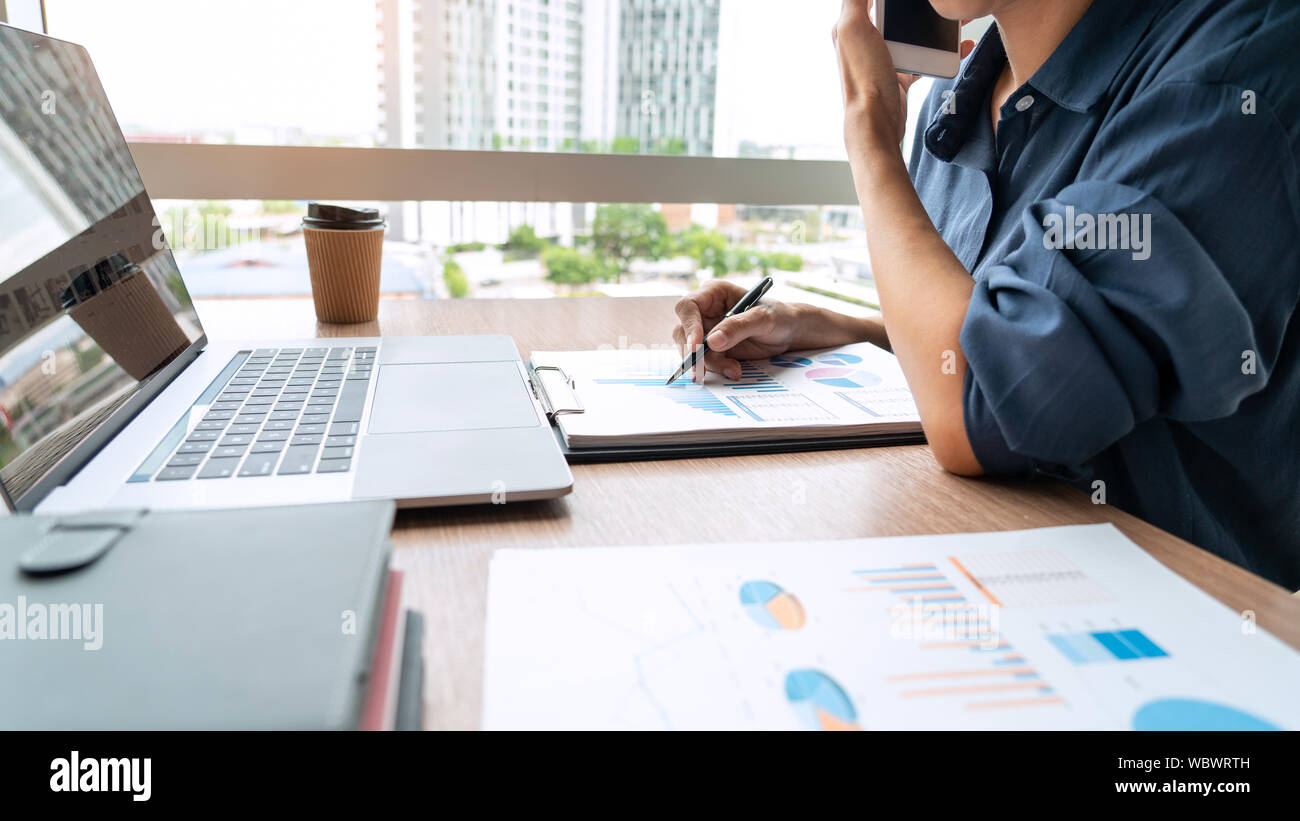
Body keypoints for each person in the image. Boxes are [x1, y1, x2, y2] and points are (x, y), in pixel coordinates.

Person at [670, 0, 1300, 589]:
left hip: (1180, 634)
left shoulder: (1228, 73)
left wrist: (868, 134)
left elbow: (989, 407)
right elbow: (1000, 329)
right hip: (985, 568)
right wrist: (845, 330)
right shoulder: (960, 91)